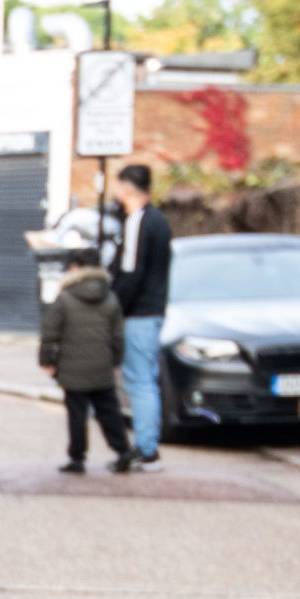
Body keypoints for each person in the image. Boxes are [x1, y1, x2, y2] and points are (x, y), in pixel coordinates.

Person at [38, 250, 133, 475]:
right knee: (109, 411)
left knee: (77, 415)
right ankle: (123, 451)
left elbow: (50, 333)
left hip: (72, 368)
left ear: (75, 267)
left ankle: (77, 458)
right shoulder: (110, 297)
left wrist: (46, 360)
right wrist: (115, 360)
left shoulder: (65, 297)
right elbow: (118, 336)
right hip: (102, 366)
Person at [110, 164, 173, 472]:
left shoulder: (137, 221)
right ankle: (147, 446)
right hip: (152, 310)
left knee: (140, 381)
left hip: (139, 313)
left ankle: (147, 450)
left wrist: (115, 308)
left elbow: (130, 271)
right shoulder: (159, 220)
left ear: (126, 187)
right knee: (145, 379)